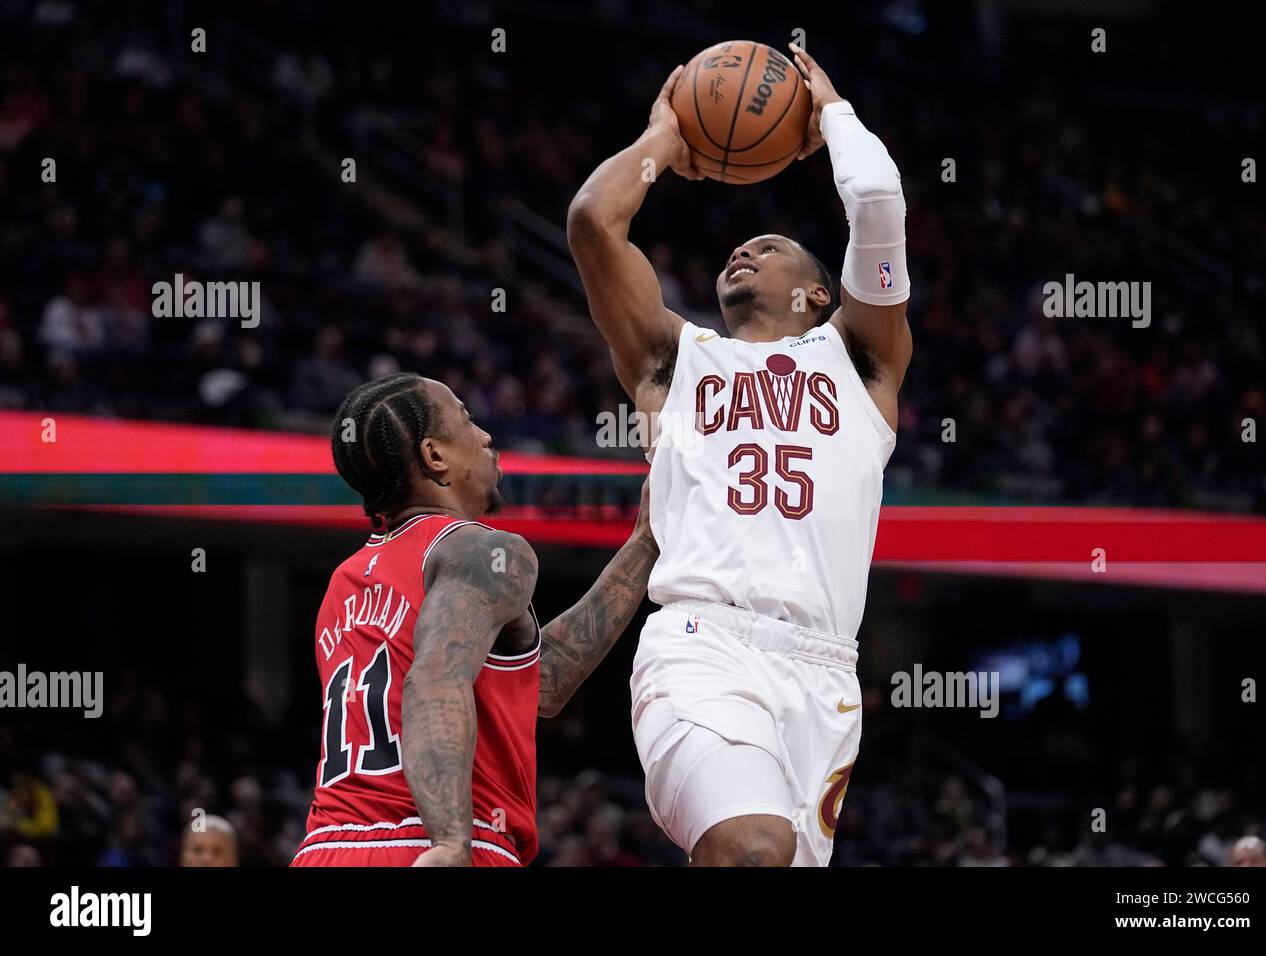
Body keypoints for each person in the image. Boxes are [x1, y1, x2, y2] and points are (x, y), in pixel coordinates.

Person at [566, 45, 911, 866]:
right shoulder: (671, 358)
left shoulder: (861, 361)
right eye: (735, 252)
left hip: (825, 676)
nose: (742, 254)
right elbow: (591, 222)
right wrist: (662, 137)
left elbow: (878, 199)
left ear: (821, 292)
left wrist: (831, 113)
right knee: (752, 850)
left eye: (767, 245)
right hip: (701, 642)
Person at [291, 373, 656, 866]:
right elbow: (436, 678)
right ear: (435, 456)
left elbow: (538, 684)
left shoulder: (344, 581)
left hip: (324, 849)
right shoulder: (481, 549)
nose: (485, 435)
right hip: (430, 842)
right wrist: (449, 840)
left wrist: (644, 544)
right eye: (465, 418)